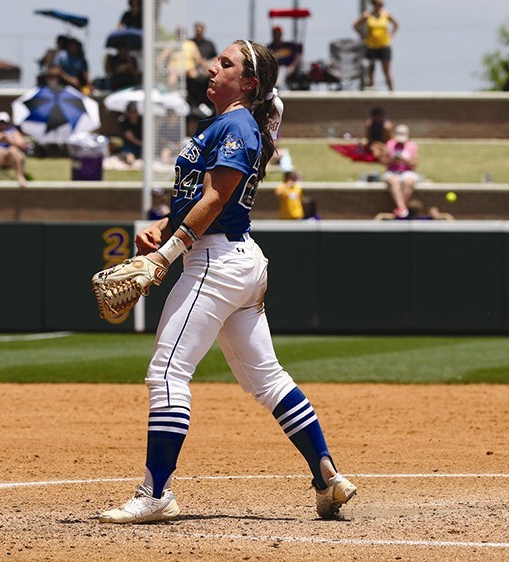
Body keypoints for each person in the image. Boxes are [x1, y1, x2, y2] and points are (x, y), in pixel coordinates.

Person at [98, 39, 356, 525]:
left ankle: (156, 493)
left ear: (249, 83)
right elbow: (202, 196)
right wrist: (163, 224)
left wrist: (167, 255)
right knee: (268, 378)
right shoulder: (226, 124)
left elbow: (217, 199)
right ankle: (326, 477)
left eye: (226, 63)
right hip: (236, 262)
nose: (212, 68)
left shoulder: (237, 124)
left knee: (167, 373)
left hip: (214, 262)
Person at [352, 0, 399, 91]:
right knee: (370, 71)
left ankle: (391, 92)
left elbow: (396, 25)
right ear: (374, 4)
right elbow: (355, 25)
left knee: (386, 71)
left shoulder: (386, 15)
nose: (381, 6)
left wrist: (391, 35)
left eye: (382, 4)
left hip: (384, 45)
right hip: (371, 46)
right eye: (379, 4)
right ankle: (371, 92)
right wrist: (362, 35)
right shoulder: (368, 15)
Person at [0, 112, 29, 188]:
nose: (2, 125)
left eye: (4, 123)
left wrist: (10, 140)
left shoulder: (14, 132)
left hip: (12, 158)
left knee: (12, 150)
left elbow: (22, 145)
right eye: (0, 123)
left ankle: (20, 177)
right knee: (0, 150)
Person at [381, 123, 419, 218]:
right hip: (392, 171)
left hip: (407, 171)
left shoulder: (412, 146)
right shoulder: (389, 144)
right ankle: (402, 208)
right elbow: (383, 161)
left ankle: (400, 209)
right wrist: (392, 160)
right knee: (394, 181)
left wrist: (405, 160)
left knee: (409, 182)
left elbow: (415, 163)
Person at [268, 26, 302, 90]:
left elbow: (298, 56)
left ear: (281, 34)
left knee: (282, 70)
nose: (276, 35)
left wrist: (293, 66)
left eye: (277, 33)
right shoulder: (270, 47)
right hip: (274, 69)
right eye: (274, 33)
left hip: (287, 68)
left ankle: (278, 87)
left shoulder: (289, 45)